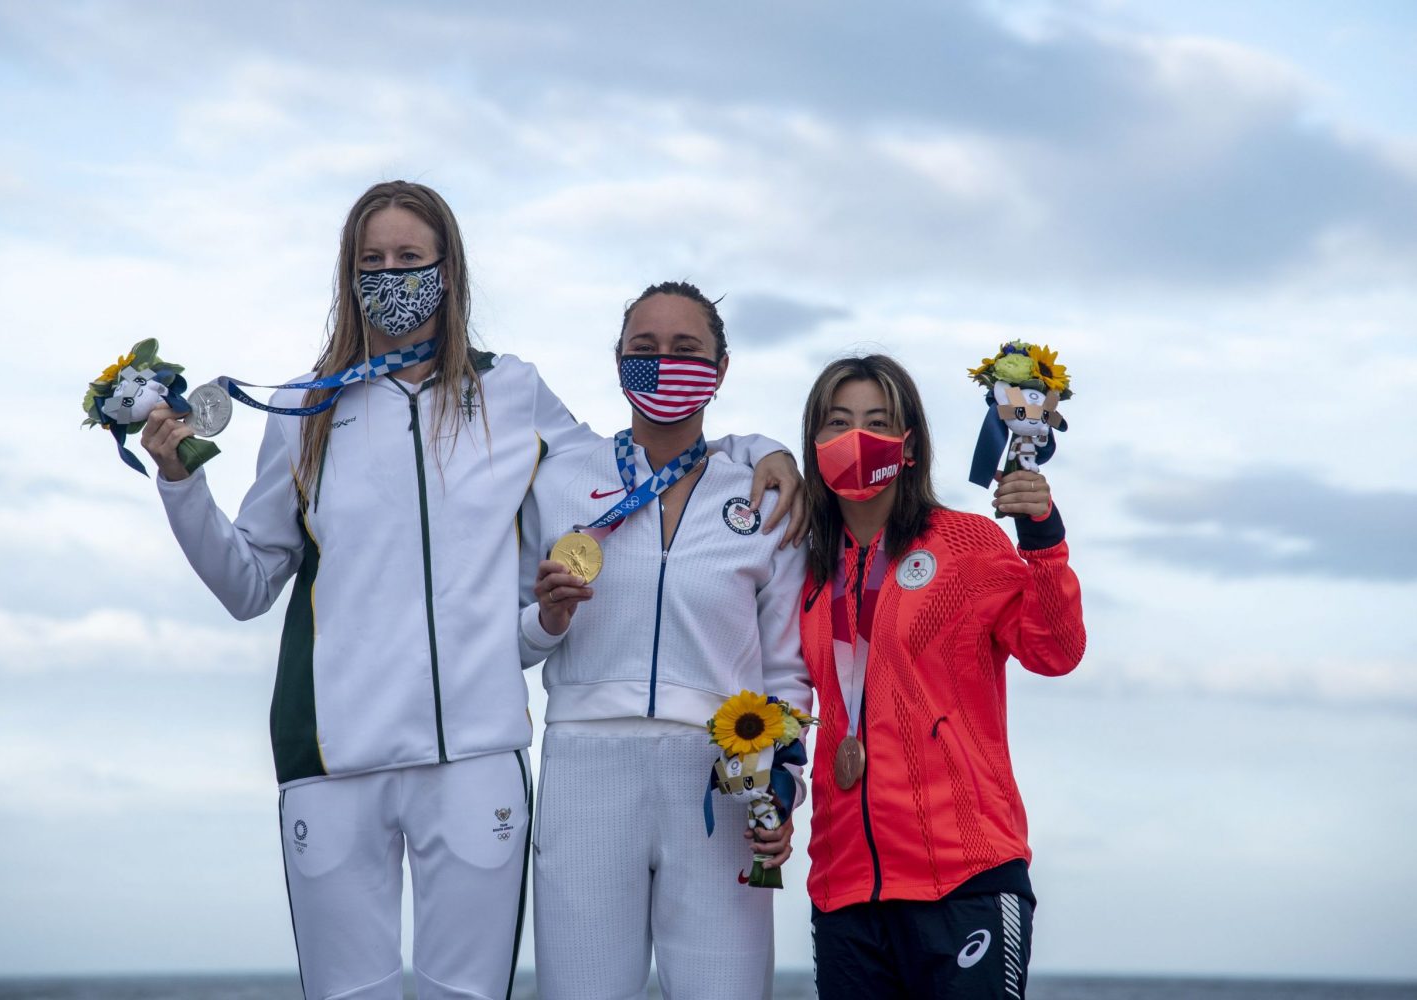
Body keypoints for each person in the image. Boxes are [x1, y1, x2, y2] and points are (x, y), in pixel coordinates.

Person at [138, 183, 802, 1000]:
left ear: (448, 270)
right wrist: (178, 484)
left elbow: (635, 457)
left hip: (476, 757)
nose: (390, 275)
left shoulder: (511, 391)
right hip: (333, 755)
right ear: (347, 277)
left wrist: (760, 446)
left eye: (409, 258)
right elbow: (247, 585)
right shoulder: (303, 408)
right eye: (370, 261)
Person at [517, 281, 813, 1000]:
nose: (664, 363)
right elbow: (511, 640)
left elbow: (788, 669)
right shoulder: (557, 481)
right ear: (617, 360)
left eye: (686, 350)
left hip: (720, 778)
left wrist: (785, 780)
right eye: (644, 349)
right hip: (585, 765)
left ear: (721, 367)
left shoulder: (763, 494)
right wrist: (547, 621)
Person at [796, 355, 1085, 1000]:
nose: (856, 437)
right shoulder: (806, 571)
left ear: (909, 444)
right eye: (837, 423)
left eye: (877, 421)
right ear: (813, 443)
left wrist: (1042, 535)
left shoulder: (968, 545)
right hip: (845, 888)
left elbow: (1056, 650)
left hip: (966, 875)